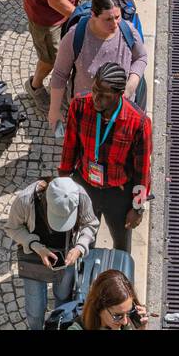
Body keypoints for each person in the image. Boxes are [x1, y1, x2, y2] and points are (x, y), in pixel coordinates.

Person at [59, 64, 152, 252]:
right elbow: (70, 147)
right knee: (84, 242)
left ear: (119, 95)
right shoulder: (79, 106)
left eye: (104, 95)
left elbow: (142, 172)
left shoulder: (138, 123)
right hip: (85, 185)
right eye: (95, 90)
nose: (96, 99)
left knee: (121, 244)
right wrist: (62, 183)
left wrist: (137, 208)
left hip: (119, 194)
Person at [5, 176, 99, 331]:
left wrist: (79, 248)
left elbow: (90, 223)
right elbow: (12, 228)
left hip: (67, 256)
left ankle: (59, 325)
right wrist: (35, 246)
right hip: (34, 257)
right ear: (45, 201)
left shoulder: (80, 196)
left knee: (63, 298)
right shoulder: (25, 200)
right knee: (35, 309)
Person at [49, 0, 149, 131]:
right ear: (93, 15)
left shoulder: (127, 30)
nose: (115, 24)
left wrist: (130, 87)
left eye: (117, 17)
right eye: (108, 19)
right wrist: (54, 111)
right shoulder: (75, 37)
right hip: (86, 111)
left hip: (121, 109)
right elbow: (60, 74)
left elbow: (141, 57)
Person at [68, 269, 148, 331]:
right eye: (117, 316)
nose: (125, 322)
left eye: (129, 312)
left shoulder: (127, 322)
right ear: (99, 307)